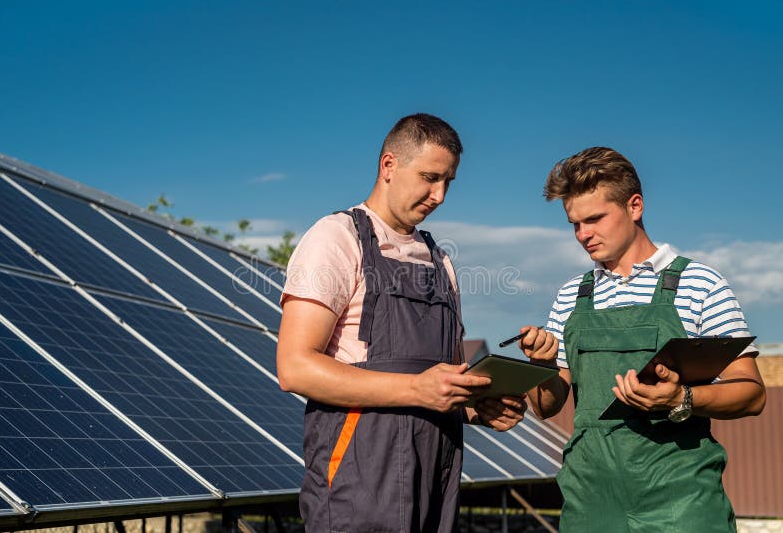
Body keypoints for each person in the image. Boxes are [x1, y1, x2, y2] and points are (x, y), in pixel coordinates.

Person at [276, 113, 526, 532]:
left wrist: (476, 408)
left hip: (436, 479)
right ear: (388, 166)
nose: (440, 195)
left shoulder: (440, 261)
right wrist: (417, 389)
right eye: (429, 177)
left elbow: (434, 385)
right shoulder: (337, 237)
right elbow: (294, 366)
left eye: (448, 182)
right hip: (358, 484)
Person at [518, 147, 766, 532]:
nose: (584, 235)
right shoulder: (571, 296)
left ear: (635, 206)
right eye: (575, 224)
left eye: (595, 219)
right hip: (590, 505)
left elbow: (752, 393)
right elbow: (546, 406)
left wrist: (682, 399)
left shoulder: (700, 284)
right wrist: (541, 363)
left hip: (681, 505)